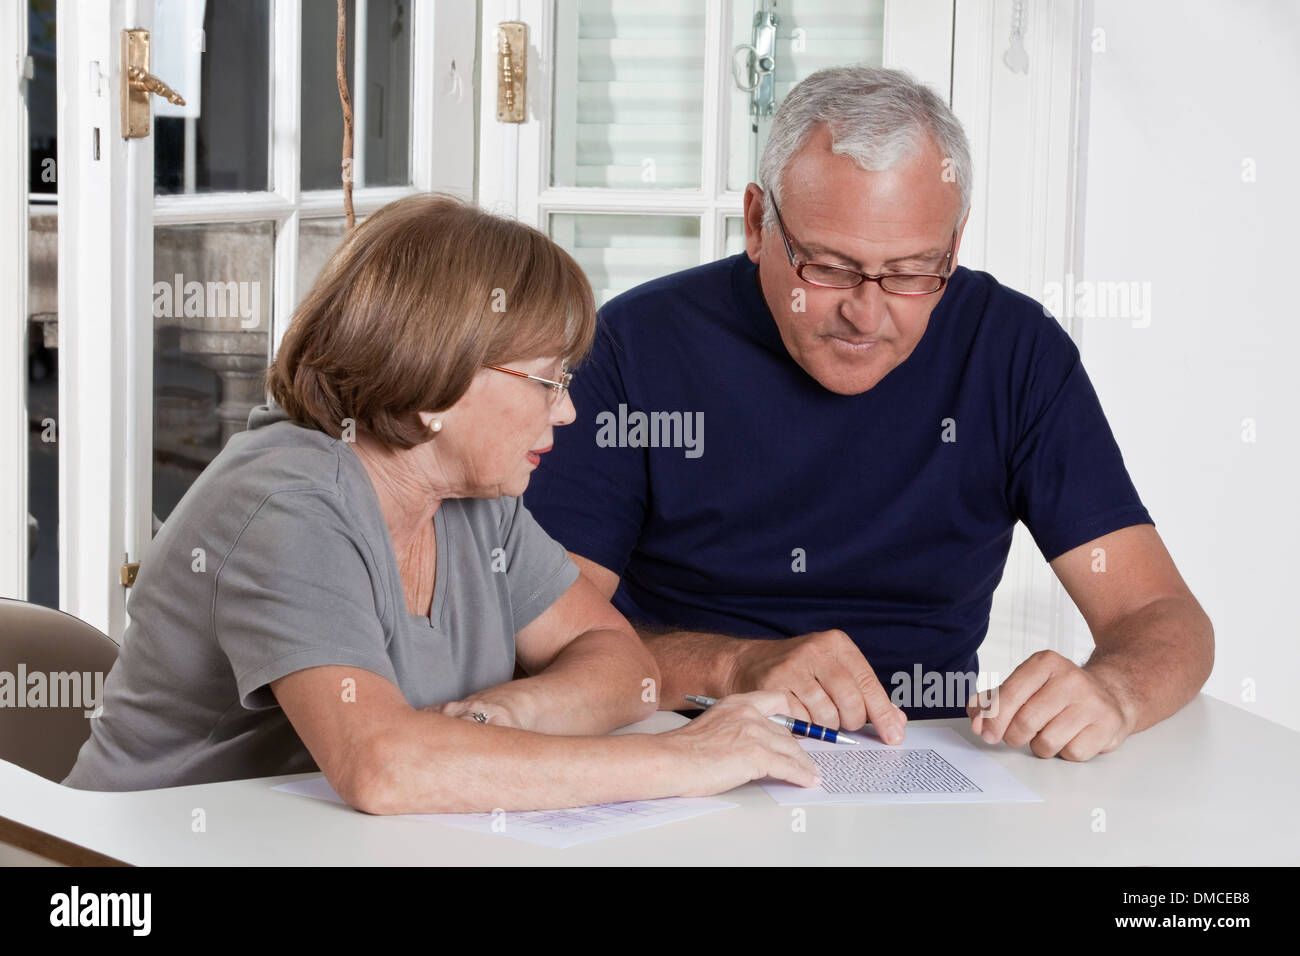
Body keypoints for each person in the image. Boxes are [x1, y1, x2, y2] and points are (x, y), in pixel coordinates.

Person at [523, 67, 1214, 762]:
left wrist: (1115, 692)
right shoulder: (638, 344)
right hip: (688, 742)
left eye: (912, 271)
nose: (866, 313)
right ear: (759, 223)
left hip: (928, 757)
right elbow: (541, 629)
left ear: (956, 241)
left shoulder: (1014, 351)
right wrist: (732, 666)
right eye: (829, 267)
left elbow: (1159, 614)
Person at [63, 193, 820, 810]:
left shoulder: (473, 498)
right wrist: (680, 760)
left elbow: (622, 667)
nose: (567, 414)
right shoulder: (288, 504)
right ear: (439, 383)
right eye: (549, 381)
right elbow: (385, 768)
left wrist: (502, 715)